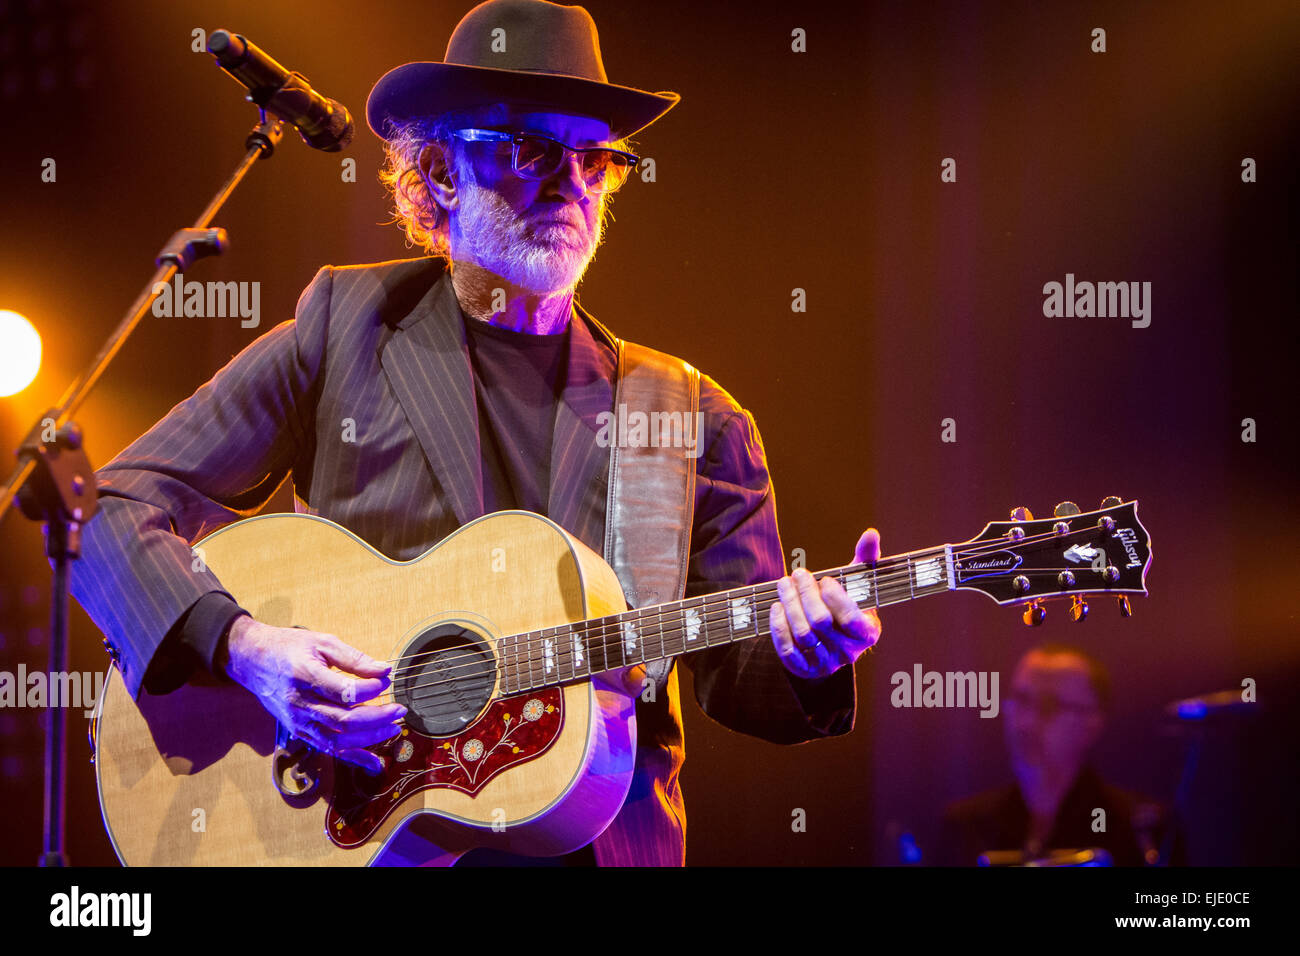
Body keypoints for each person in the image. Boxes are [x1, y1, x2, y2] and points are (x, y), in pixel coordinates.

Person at [69, 0, 883, 866]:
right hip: (359, 826)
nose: (572, 181)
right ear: (441, 170)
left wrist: (811, 654)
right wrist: (246, 647)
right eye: (532, 150)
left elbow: (740, 678)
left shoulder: (690, 419)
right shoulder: (347, 327)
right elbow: (106, 505)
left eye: (596, 159)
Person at [935, 644, 1181, 866]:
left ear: (1092, 723)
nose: (1027, 723)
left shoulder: (1140, 829)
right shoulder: (966, 826)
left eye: (1049, 706)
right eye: (1021, 701)